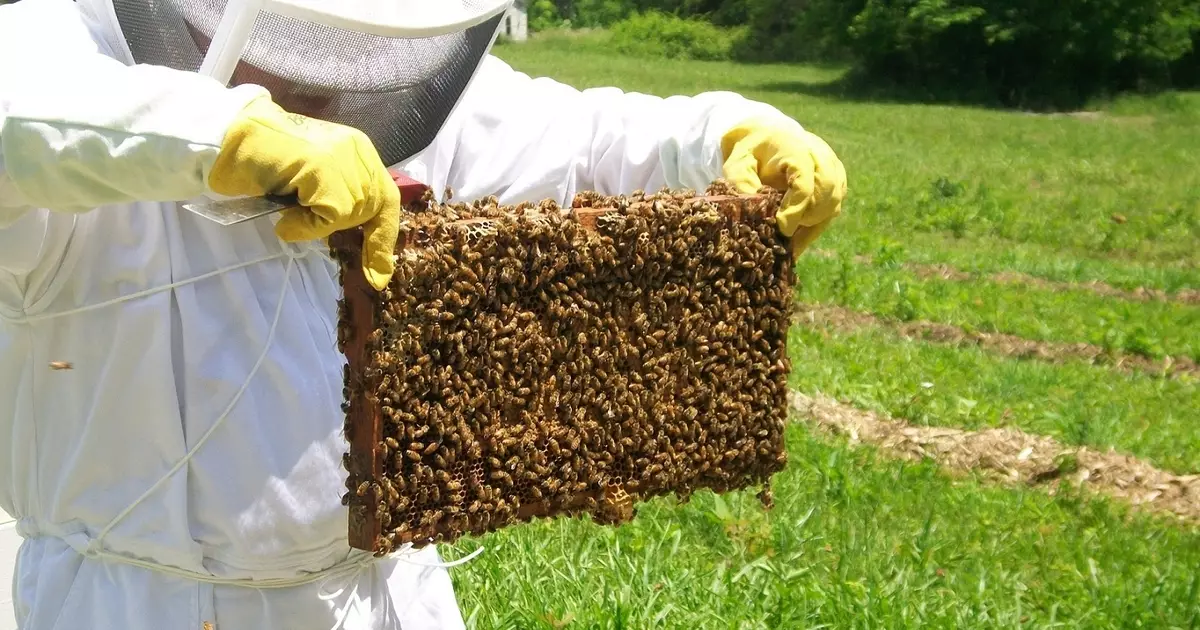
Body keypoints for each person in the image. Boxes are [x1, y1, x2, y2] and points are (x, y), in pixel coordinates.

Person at [0, 0, 848, 628]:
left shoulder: (381, 75)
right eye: (300, 50)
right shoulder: (56, 46)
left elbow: (579, 139)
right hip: (133, 604)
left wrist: (721, 136)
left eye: (353, 56)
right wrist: (215, 134)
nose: (325, 89)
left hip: (385, 594)